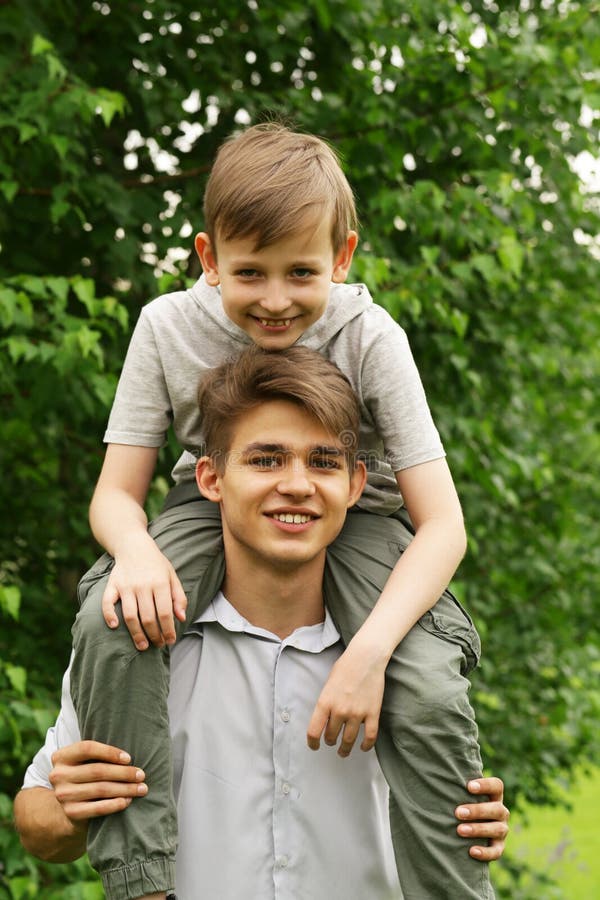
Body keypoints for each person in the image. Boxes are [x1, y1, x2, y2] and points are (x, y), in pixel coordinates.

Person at [69, 123, 494, 899]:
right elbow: (113, 495)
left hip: (360, 515)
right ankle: (144, 879)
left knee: (428, 691)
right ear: (208, 258)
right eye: (249, 273)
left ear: (342, 257)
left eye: (301, 272)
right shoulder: (166, 327)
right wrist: (134, 555)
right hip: (214, 502)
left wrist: (370, 656)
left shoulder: (370, 335)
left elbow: (445, 525)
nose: (274, 300)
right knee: (111, 622)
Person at [15, 348, 509, 900]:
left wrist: (469, 817)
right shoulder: (140, 633)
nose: (297, 484)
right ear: (210, 478)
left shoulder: (406, 655)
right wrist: (68, 810)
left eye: (323, 461)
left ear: (354, 483)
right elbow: (36, 818)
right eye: (266, 459)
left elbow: (458, 812)